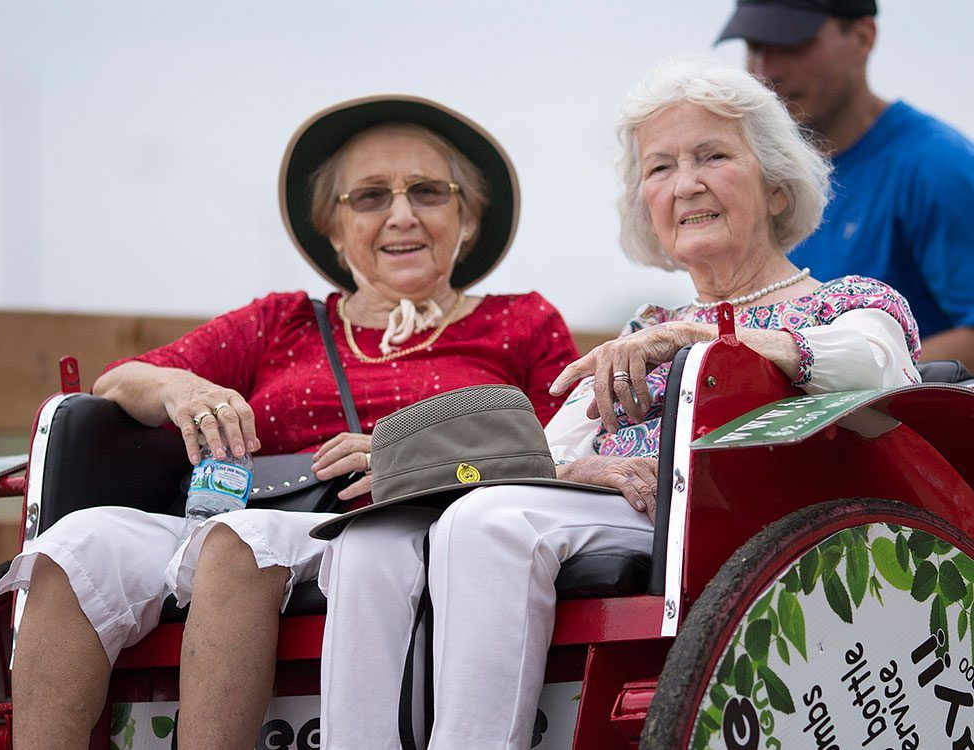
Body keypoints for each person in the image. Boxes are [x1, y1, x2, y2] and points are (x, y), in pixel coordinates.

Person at [315, 59, 921, 750]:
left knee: (490, 522)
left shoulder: (849, 303)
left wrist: (709, 336)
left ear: (777, 189)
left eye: (712, 156)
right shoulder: (644, 330)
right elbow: (552, 451)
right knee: (381, 536)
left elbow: (876, 368)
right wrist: (531, 467)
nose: (684, 183)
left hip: (737, 528)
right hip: (621, 513)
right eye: (659, 169)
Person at [0, 95, 579, 750]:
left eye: (428, 192)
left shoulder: (522, 322)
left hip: (395, 526)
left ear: (467, 217)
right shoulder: (283, 320)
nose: (402, 215)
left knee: (242, 542)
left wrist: (418, 452)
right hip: (245, 507)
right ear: (333, 228)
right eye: (369, 198)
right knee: (77, 544)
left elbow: (557, 453)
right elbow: (119, 380)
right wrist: (182, 388)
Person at [717, 0, 974, 370]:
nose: (766, 70)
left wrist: (825, 379)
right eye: (755, 47)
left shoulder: (937, 167)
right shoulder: (759, 181)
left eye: (792, 45)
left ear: (862, 38)